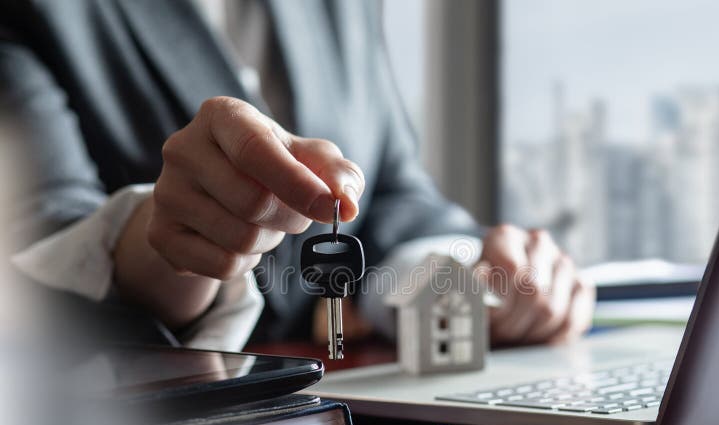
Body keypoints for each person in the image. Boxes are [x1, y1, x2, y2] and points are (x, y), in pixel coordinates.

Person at [1, 0, 594, 352]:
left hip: (340, 409)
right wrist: (171, 240)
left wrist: (465, 287)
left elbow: (391, 192)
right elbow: (45, 237)